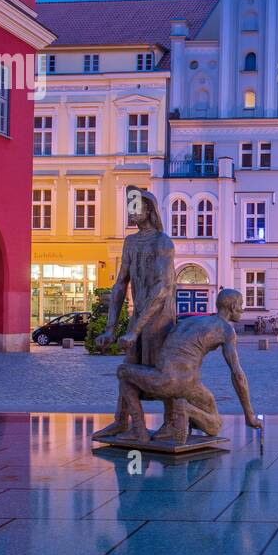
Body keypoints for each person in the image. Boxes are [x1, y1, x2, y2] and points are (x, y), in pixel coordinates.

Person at [113, 288, 262, 443]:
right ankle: (185, 410)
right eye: (241, 305)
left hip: (165, 378)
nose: (242, 310)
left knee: (123, 372)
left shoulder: (191, 320)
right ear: (232, 307)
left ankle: (140, 429)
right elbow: (237, 374)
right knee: (215, 426)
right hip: (188, 383)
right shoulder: (227, 331)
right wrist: (249, 415)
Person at [93, 187, 177, 440]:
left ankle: (172, 422)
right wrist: (110, 328)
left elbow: (162, 288)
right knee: (128, 368)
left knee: (163, 372)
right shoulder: (130, 242)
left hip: (160, 319)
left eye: (136, 206)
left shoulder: (162, 242)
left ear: (149, 210)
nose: (131, 211)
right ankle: (122, 421)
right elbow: (120, 284)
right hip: (139, 316)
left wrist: (134, 329)